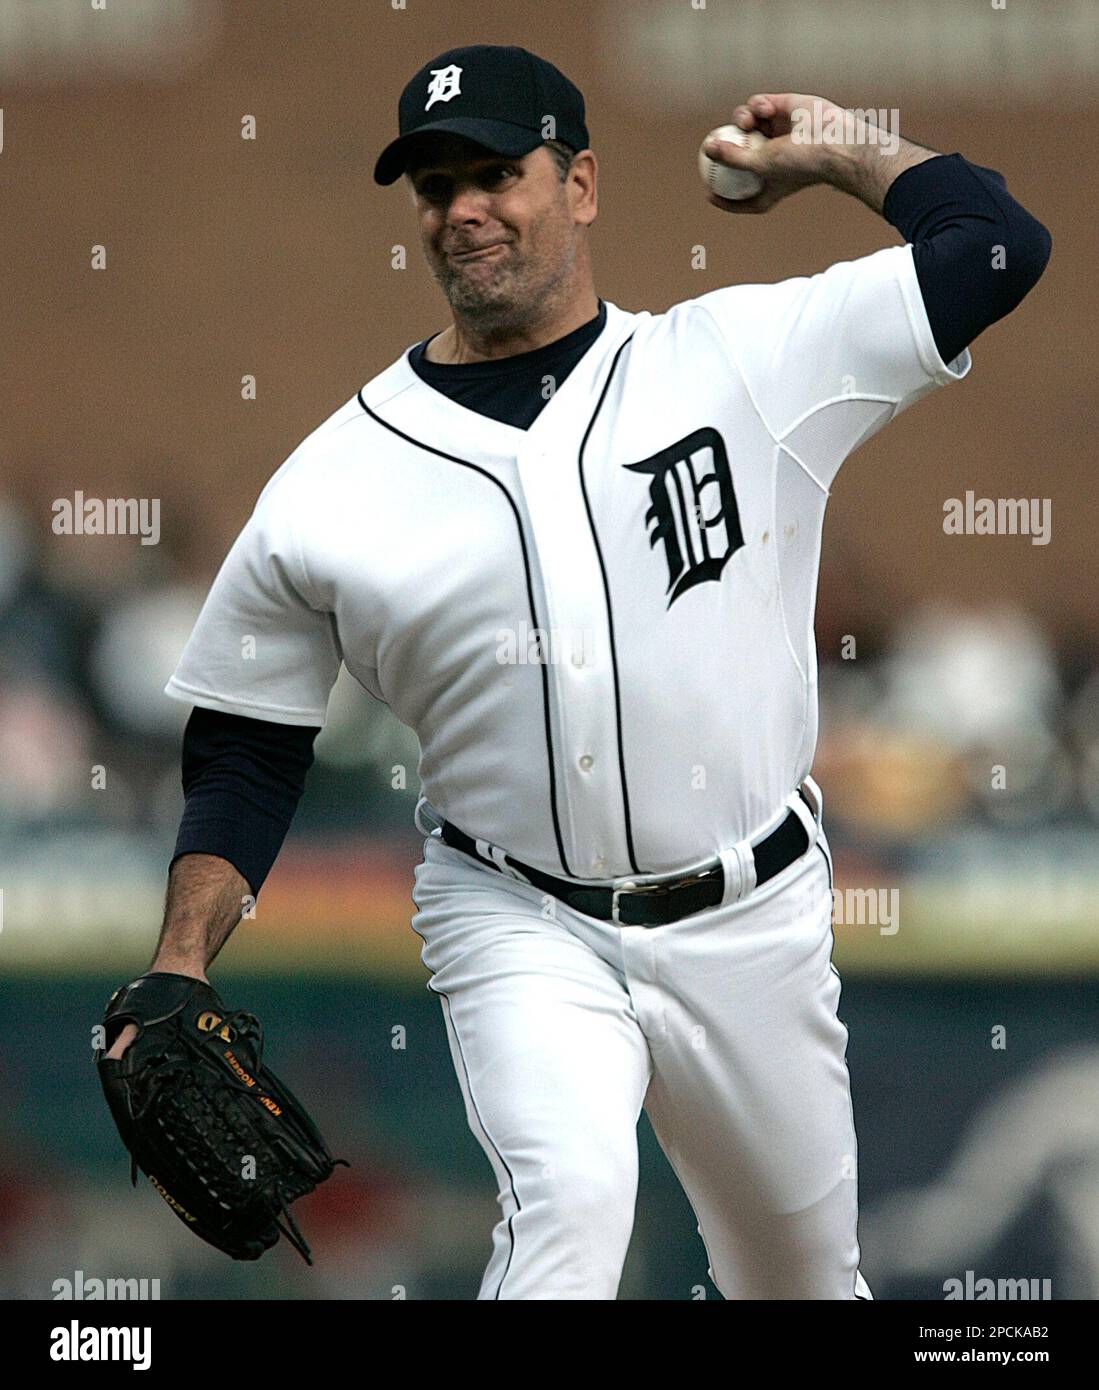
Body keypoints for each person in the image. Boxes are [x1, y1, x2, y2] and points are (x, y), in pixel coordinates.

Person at [107, 44, 1050, 1299]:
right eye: (436, 185)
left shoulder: (742, 362)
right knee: (570, 1210)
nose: (465, 209)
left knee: (805, 1281)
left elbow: (997, 248)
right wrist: (181, 953)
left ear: (583, 183)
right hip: (519, 916)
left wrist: (837, 149)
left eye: (497, 171)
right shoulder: (331, 483)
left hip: (752, 914)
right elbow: (246, 742)